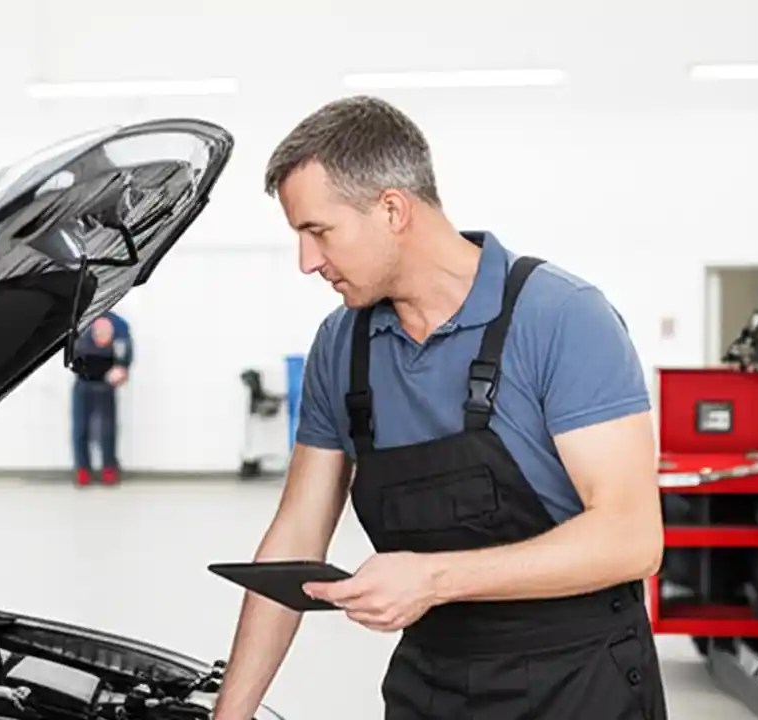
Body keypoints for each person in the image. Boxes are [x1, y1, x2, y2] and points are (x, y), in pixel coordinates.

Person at [212, 96, 667, 719]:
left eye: (319, 231)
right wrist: (230, 714)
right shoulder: (341, 346)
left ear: (392, 209)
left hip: (578, 683)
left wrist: (434, 579)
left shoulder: (561, 318)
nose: (307, 261)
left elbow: (631, 537)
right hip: (432, 687)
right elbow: (294, 535)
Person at [71, 310, 133, 486]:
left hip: (105, 384)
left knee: (107, 430)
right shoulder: (80, 322)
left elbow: (125, 351)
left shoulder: (119, 324)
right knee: (81, 428)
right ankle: (82, 471)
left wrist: (122, 367)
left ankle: (109, 470)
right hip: (83, 382)